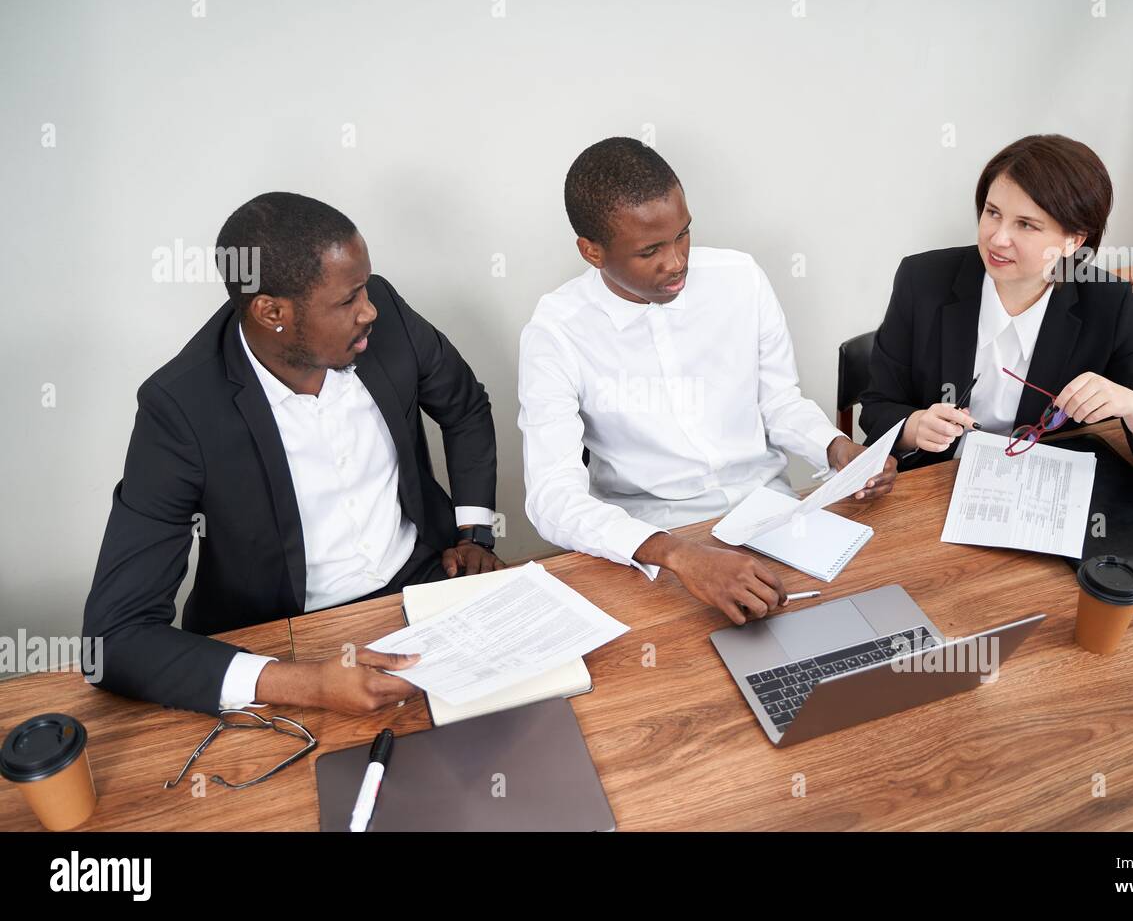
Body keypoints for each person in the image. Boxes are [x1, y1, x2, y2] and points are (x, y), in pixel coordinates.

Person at [83, 192, 502, 716]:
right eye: (348, 299)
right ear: (272, 311)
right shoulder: (180, 410)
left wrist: (474, 530)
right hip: (280, 642)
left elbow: (465, 407)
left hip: (424, 590)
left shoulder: (385, 313)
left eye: (366, 288)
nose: (368, 309)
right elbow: (113, 639)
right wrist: (306, 685)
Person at [519, 137, 897, 627]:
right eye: (650, 250)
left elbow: (779, 402)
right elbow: (552, 497)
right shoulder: (556, 331)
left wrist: (835, 448)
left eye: (683, 234)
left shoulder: (740, 277)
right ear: (591, 251)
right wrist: (680, 555)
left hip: (772, 516)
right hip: (653, 542)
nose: (676, 261)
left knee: (869, 624)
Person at [858, 133, 1133, 470]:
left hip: (1039, 491)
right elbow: (876, 408)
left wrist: (1132, 404)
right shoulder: (923, 279)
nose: (998, 238)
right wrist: (915, 426)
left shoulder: (1105, 302)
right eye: (993, 212)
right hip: (932, 483)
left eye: (1025, 224)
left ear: (1073, 240)